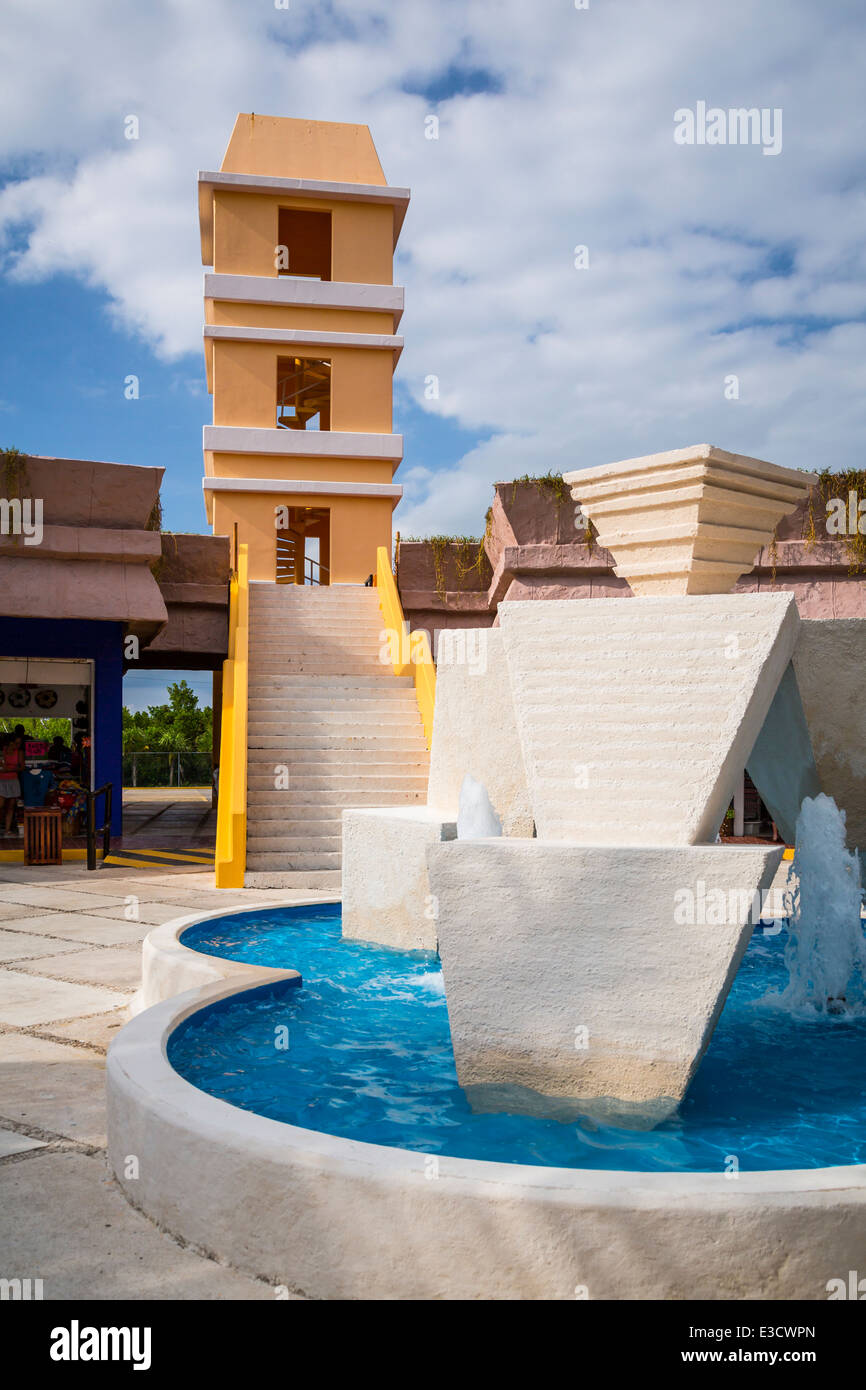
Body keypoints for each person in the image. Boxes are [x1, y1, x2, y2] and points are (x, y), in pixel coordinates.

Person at [0, 731, 24, 835]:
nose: (18, 745)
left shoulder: (19, 752)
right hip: (1, 781)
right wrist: (13, 768)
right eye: (16, 743)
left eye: (19, 743)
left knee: (11, 807)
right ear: (10, 743)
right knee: (0, 805)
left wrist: (8, 769)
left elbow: (22, 767)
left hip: (13, 781)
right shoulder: (2, 751)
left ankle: (7, 830)